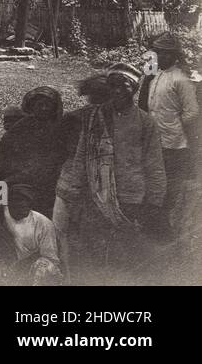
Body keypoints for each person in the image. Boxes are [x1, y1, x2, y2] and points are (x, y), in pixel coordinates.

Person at [54, 64, 166, 283]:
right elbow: (82, 154)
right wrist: (73, 190)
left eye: (124, 86)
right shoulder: (95, 118)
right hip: (96, 196)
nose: (118, 91)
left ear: (133, 90)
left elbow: (155, 165)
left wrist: (154, 202)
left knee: (123, 255)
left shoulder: (145, 122)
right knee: (91, 251)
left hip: (130, 198)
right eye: (113, 85)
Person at [140, 33, 199, 236]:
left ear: (174, 55)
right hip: (155, 140)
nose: (161, 57)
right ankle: (153, 223)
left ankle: (167, 228)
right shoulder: (155, 75)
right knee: (154, 182)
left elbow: (192, 111)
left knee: (170, 187)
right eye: (159, 53)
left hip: (174, 143)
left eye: (166, 53)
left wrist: (174, 125)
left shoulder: (180, 79)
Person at [0, 183, 61, 284]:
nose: (24, 209)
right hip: (4, 262)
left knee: (45, 266)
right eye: (19, 206)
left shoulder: (43, 224)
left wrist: (19, 267)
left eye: (27, 205)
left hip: (26, 268)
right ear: (9, 204)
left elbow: (51, 258)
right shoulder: (1, 214)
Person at [0, 86, 66, 217]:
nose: (44, 108)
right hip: (21, 184)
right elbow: (3, 163)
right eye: (40, 104)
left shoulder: (62, 130)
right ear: (31, 106)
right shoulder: (19, 129)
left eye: (48, 105)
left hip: (51, 185)